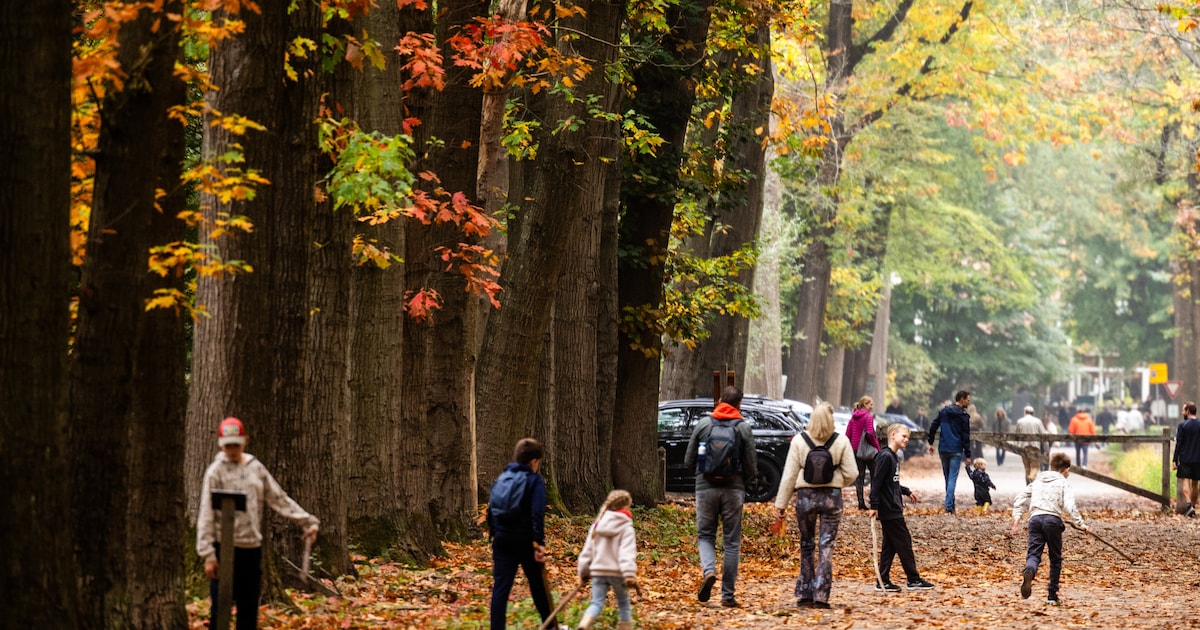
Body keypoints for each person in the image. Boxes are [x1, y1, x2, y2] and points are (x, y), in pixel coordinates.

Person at [196, 417, 320, 630]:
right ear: (221, 444)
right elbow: (206, 514)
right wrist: (207, 554)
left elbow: (278, 498)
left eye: (236, 444)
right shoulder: (215, 472)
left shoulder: (256, 469)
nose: (232, 450)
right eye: (228, 445)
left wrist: (307, 521)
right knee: (220, 608)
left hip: (250, 548)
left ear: (245, 441)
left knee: (248, 607)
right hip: (222, 548)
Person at [772, 402, 858, 609]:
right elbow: (852, 473)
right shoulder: (841, 441)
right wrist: (836, 484)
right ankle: (822, 595)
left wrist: (781, 505)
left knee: (806, 544)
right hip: (832, 498)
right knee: (826, 545)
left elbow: (789, 475)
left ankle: (805, 593)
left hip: (805, 497)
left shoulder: (800, 441)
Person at [684, 386, 757, 608]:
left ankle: (709, 571)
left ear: (719, 401)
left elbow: (689, 460)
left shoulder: (704, 424)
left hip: (705, 487)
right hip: (733, 489)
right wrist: (745, 483)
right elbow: (752, 465)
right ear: (739, 405)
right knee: (732, 542)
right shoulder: (743, 428)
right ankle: (727, 595)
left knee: (705, 535)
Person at [488, 437, 557, 630]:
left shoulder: (502, 479)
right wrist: (539, 542)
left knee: (501, 588)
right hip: (526, 541)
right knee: (538, 586)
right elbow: (537, 513)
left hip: (502, 539)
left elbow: (491, 509)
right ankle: (550, 625)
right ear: (533, 461)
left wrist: (495, 534)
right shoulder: (534, 480)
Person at [1011, 453, 1088, 605]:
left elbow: (1020, 498)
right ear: (1066, 470)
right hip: (1052, 521)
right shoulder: (1063, 483)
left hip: (1035, 519)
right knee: (1055, 558)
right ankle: (1052, 595)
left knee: (1034, 553)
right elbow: (1069, 505)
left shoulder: (1037, 482)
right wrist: (1081, 524)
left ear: (1052, 467)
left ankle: (1030, 570)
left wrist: (1017, 517)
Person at [869, 423, 935, 592]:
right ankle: (913, 579)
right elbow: (876, 483)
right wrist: (874, 505)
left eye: (908, 437)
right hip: (888, 507)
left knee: (890, 545)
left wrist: (905, 491)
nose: (906, 440)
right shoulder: (885, 456)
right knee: (904, 542)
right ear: (892, 435)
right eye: (903, 436)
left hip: (893, 505)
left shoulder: (893, 456)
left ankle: (882, 580)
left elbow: (891, 482)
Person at [576, 490, 638, 630]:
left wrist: (584, 572)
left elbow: (587, 551)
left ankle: (584, 623)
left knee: (596, 603)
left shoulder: (597, 525)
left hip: (598, 571)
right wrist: (629, 573)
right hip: (618, 573)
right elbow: (626, 552)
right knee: (623, 603)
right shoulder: (626, 527)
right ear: (626, 507)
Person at [926, 390, 973, 514]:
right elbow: (965, 436)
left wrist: (931, 442)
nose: (969, 402)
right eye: (968, 400)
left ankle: (951, 506)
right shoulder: (963, 416)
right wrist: (968, 454)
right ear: (962, 399)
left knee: (948, 477)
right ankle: (948, 506)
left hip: (943, 448)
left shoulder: (944, 412)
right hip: (956, 449)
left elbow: (933, 426)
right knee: (952, 478)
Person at [847, 396, 882, 510]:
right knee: (874, 476)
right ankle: (874, 501)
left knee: (860, 477)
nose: (872, 406)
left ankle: (860, 503)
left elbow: (848, 434)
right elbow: (870, 433)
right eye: (870, 404)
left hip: (856, 450)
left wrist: (851, 448)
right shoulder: (868, 417)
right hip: (868, 451)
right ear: (865, 404)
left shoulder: (853, 417)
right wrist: (876, 446)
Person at [1173, 402, 1200, 518]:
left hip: (1185, 458)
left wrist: (1175, 459)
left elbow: (1179, 444)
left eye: (1183, 410)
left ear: (1188, 411)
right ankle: (1192, 507)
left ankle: (1189, 506)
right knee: (1195, 484)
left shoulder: (1183, 425)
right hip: (1198, 459)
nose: (1182, 412)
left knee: (1185, 482)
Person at [1015, 405, 1046, 484]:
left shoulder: (1020, 421)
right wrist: (1046, 448)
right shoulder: (1038, 421)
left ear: (1025, 412)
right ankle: (1031, 478)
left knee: (1027, 466)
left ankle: (1028, 483)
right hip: (1034, 446)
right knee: (1035, 465)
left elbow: (1016, 435)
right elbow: (1043, 435)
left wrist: (1016, 446)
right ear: (1033, 413)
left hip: (1023, 447)